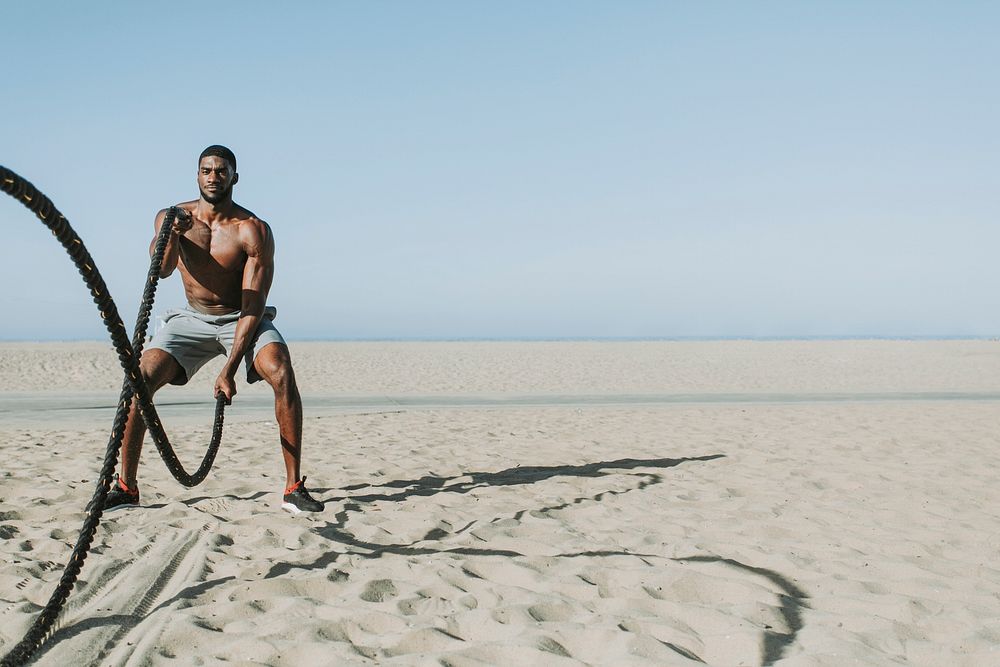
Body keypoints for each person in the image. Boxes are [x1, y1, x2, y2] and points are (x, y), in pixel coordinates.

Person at [102, 145, 323, 513]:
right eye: (206, 170)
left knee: (281, 371)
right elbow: (163, 269)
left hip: (241, 317)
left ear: (234, 177)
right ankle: (127, 487)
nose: (213, 177)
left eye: (221, 171)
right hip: (190, 319)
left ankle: (293, 488)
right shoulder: (171, 217)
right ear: (197, 175)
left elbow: (252, 305)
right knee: (139, 379)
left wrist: (229, 368)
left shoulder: (252, 230)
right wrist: (172, 235)